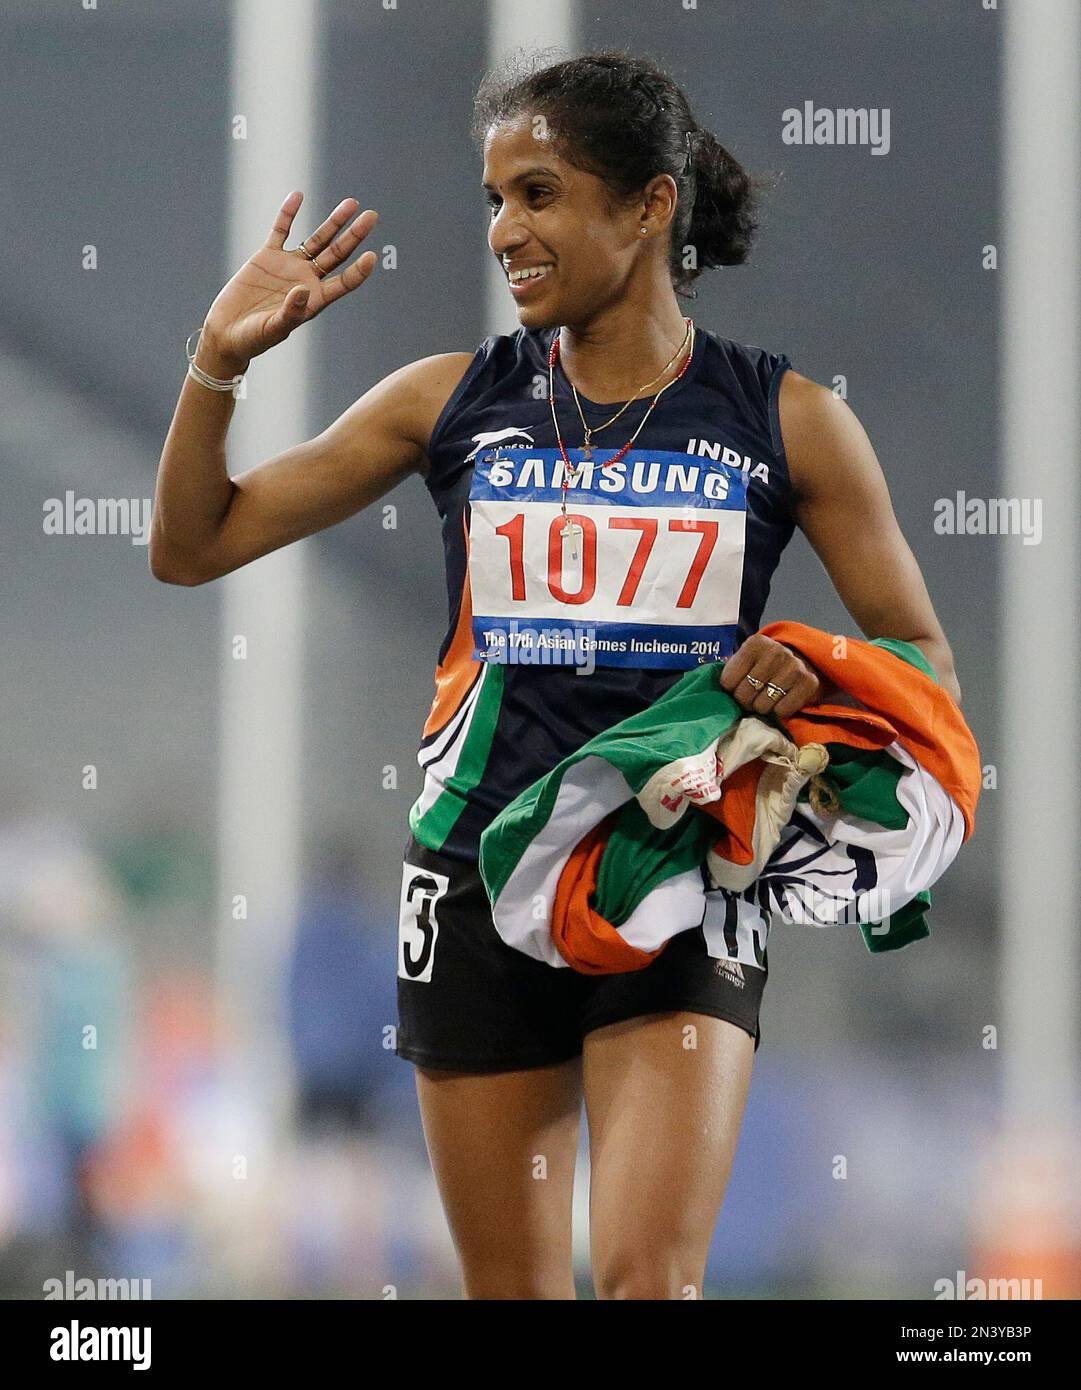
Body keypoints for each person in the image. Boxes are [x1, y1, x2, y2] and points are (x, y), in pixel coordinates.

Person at [150, 50, 961, 1300]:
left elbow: (919, 661)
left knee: (649, 1283)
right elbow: (192, 544)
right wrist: (218, 357)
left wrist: (810, 669)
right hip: (475, 879)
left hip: (674, 875)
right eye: (492, 199)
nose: (503, 232)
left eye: (537, 194)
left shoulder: (785, 419)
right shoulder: (449, 401)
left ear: (649, 206)